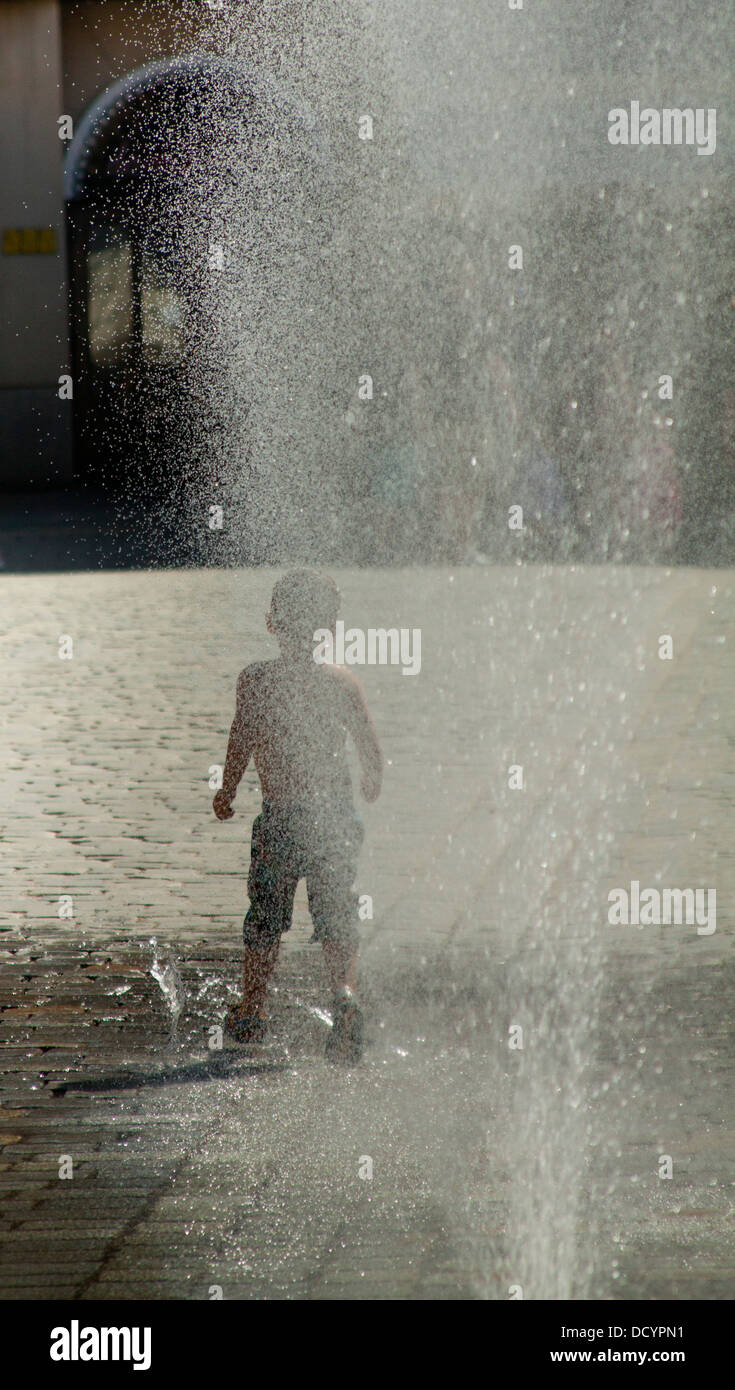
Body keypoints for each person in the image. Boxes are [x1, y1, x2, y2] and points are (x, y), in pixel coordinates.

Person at [213, 570, 382, 1063]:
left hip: (281, 819)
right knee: (337, 915)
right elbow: (369, 744)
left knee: (264, 919)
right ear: (327, 627)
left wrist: (227, 789)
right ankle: (346, 997)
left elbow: (240, 738)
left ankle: (251, 1008)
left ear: (272, 622)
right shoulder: (341, 682)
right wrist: (372, 779)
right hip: (332, 820)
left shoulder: (256, 680)